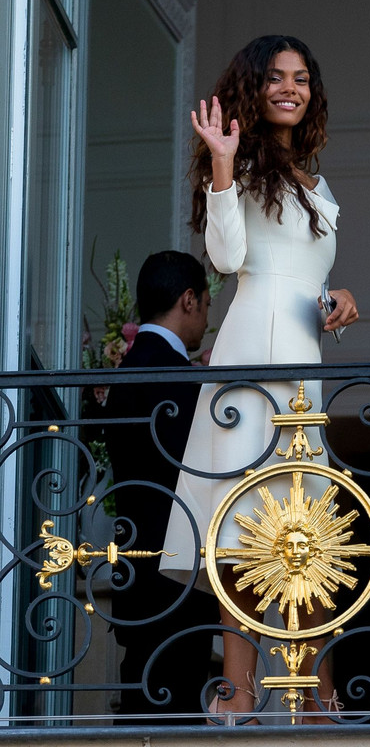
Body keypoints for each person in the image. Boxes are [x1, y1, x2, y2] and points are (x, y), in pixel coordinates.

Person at [160, 35, 359, 723]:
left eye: (301, 78)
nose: (290, 87)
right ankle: (240, 693)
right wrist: (221, 165)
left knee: (311, 534)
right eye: (276, 77)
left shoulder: (315, 179)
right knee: (246, 528)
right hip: (254, 354)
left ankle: (318, 696)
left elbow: (301, 274)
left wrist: (336, 301)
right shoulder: (240, 161)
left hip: (303, 356)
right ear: (253, 87)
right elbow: (228, 257)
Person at [105, 250, 218, 723]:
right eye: (208, 306)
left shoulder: (130, 370)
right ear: (188, 300)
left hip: (136, 564)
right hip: (175, 571)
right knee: (171, 707)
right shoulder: (176, 376)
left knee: (143, 695)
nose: (206, 318)